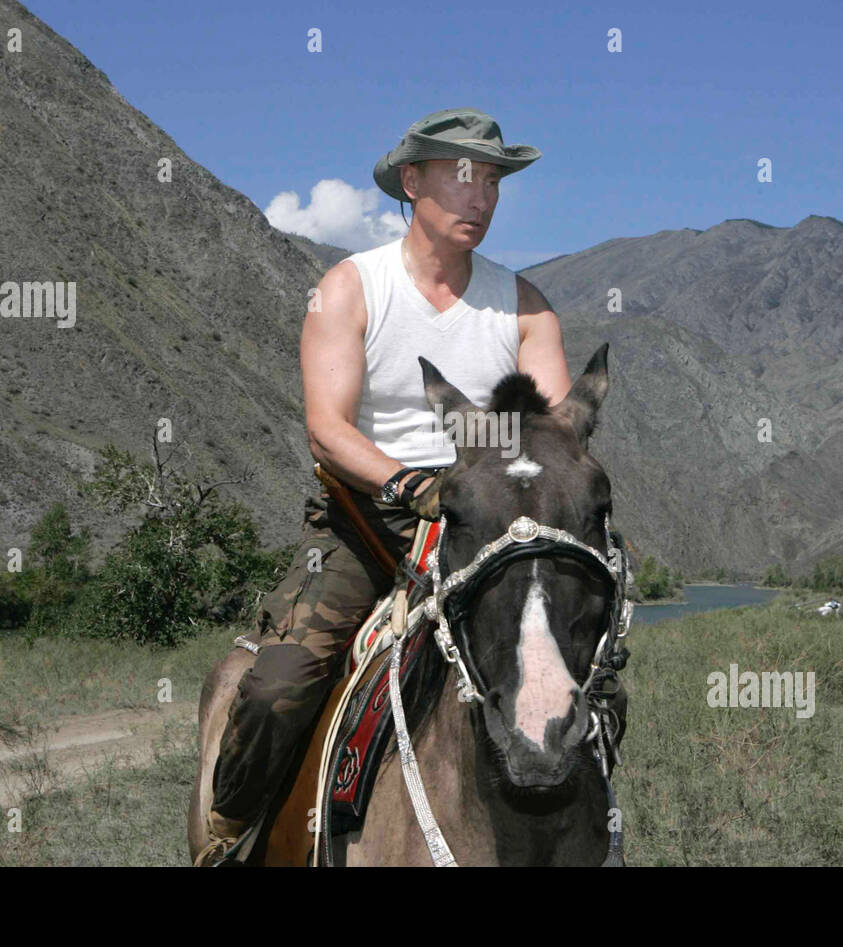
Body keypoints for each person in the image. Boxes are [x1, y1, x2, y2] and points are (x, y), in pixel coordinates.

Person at [197, 107, 576, 865]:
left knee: (584, 682)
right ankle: (229, 834)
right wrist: (410, 485)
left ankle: (587, 837)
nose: (482, 197)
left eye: (493, 180)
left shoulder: (526, 307)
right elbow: (327, 429)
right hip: (364, 527)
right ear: (413, 181)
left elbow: (556, 438)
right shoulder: (350, 288)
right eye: (463, 176)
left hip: (487, 534)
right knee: (278, 687)